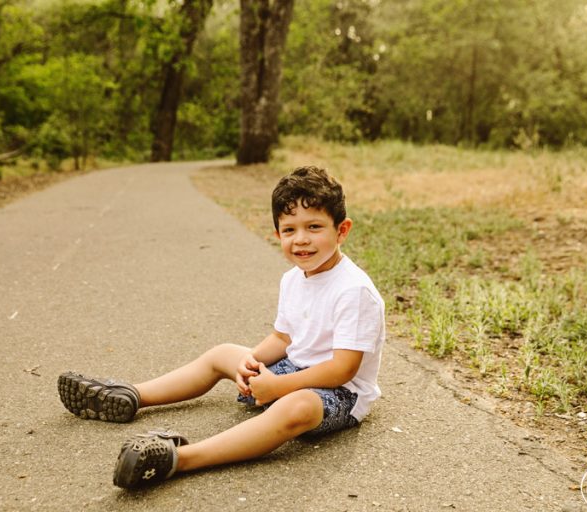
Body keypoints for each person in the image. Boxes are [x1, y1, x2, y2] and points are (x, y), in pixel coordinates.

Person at [57, 166, 386, 489]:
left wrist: (278, 388)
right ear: (277, 234)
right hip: (293, 370)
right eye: (289, 230)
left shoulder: (353, 290)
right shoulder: (293, 278)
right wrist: (252, 361)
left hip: (339, 394)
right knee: (225, 354)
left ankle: (179, 457)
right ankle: (131, 396)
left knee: (294, 407)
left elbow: (343, 369)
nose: (301, 240)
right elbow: (283, 338)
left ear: (341, 230)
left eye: (314, 227)